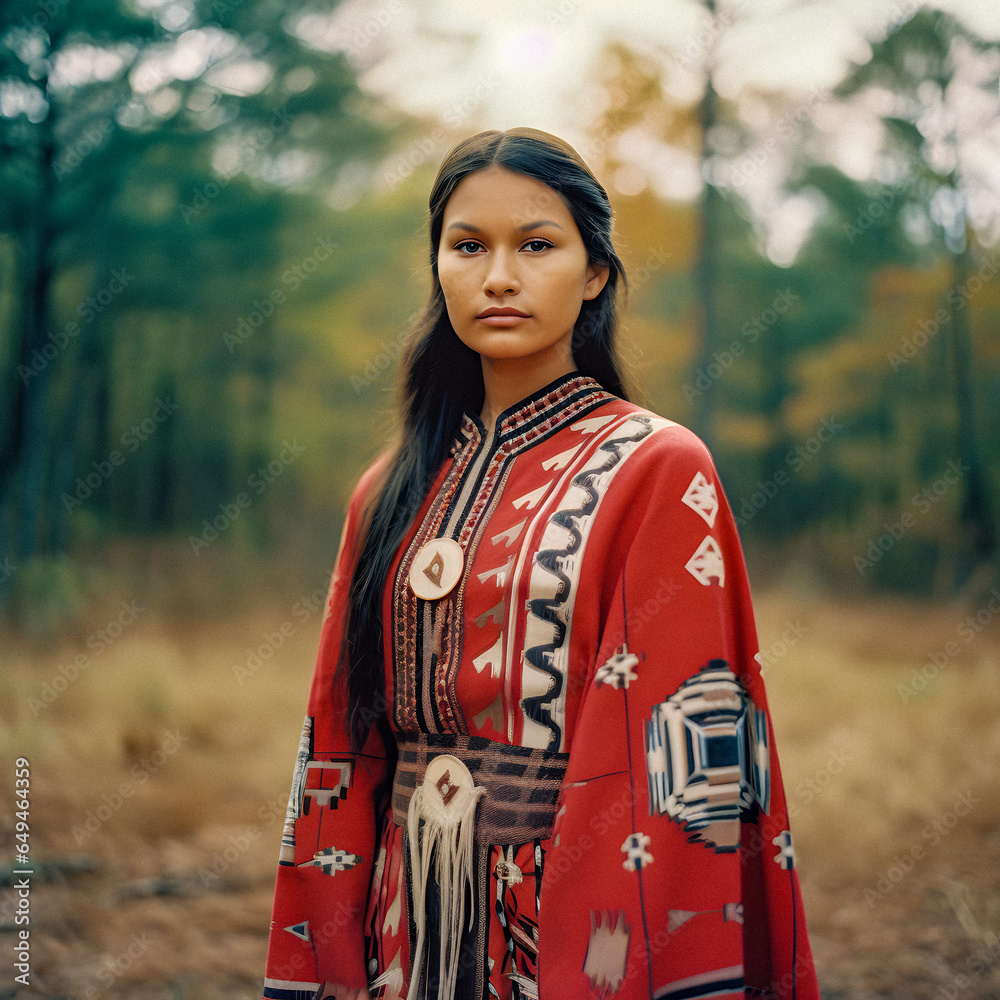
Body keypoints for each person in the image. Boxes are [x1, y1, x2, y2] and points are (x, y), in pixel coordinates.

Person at [261, 127, 820, 1000]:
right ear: (438, 266)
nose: (498, 277)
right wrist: (333, 949)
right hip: (399, 929)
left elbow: (668, 755)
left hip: (568, 922)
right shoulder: (389, 489)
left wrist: (589, 963)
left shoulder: (657, 468)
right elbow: (338, 735)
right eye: (467, 246)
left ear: (595, 273)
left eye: (536, 245)